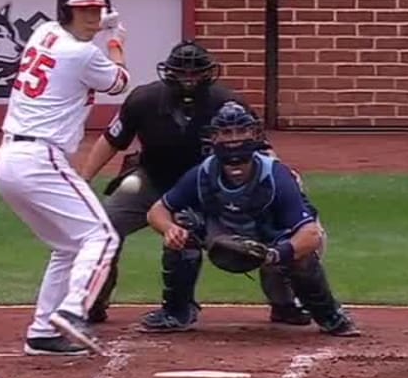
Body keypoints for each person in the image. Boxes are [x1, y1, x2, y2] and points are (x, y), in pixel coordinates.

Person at [79, 41, 310, 330]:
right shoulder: (144, 100)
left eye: (195, 73)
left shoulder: (229, 104)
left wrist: (280, 174)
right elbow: (111, 140)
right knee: (103, 228)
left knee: (269, 227)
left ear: (208, 73)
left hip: (210, 188)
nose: (189, 80)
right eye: (182, 73)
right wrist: (84, 179)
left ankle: (284, 302)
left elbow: (260, 148)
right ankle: (92, 302)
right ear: (168, 73)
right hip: (152, 180)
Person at [0, 0, 128, 357]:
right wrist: (116, 43)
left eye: (95, 10)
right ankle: (74, 310)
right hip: (41, 159)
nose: (91, 17)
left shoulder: (44, 32)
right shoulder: (82, 55)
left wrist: (103, 25)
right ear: (66, 12)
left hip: (10, 162)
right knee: (102, 237)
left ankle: (42, 332)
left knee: (69, 246)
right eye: (83, 11)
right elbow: (119, 82)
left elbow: (77, 37)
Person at [144, 101, 361, 336]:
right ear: (214, 137)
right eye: (227, 132)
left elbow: (310, 235)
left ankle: (327, 315)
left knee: (301, 260)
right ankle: (176, 312)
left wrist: (273, 254)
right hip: (223, 233)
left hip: (272, 239)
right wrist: (169, 229)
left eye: (241, 131)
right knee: (182, 225)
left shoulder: (275, 175)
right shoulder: (203, 173)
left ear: (254, 134)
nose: (234, 140)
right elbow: (157, 211)